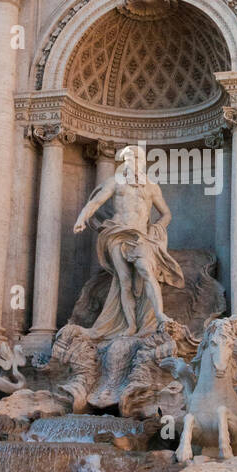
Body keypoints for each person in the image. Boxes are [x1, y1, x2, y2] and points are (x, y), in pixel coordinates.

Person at [73, 145, 184, 338]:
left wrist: (156, 230)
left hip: (141, 236)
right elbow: (96, 202)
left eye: (135, 159)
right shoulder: (115, 182)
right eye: (127, 160)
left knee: (146, 271)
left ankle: (159, 315)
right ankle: (131, 325)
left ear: (142, 162)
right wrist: (81, 218)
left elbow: (166, 213)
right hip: (117, 233)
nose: (131, 163)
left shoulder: (151, 186)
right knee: (124, 281)